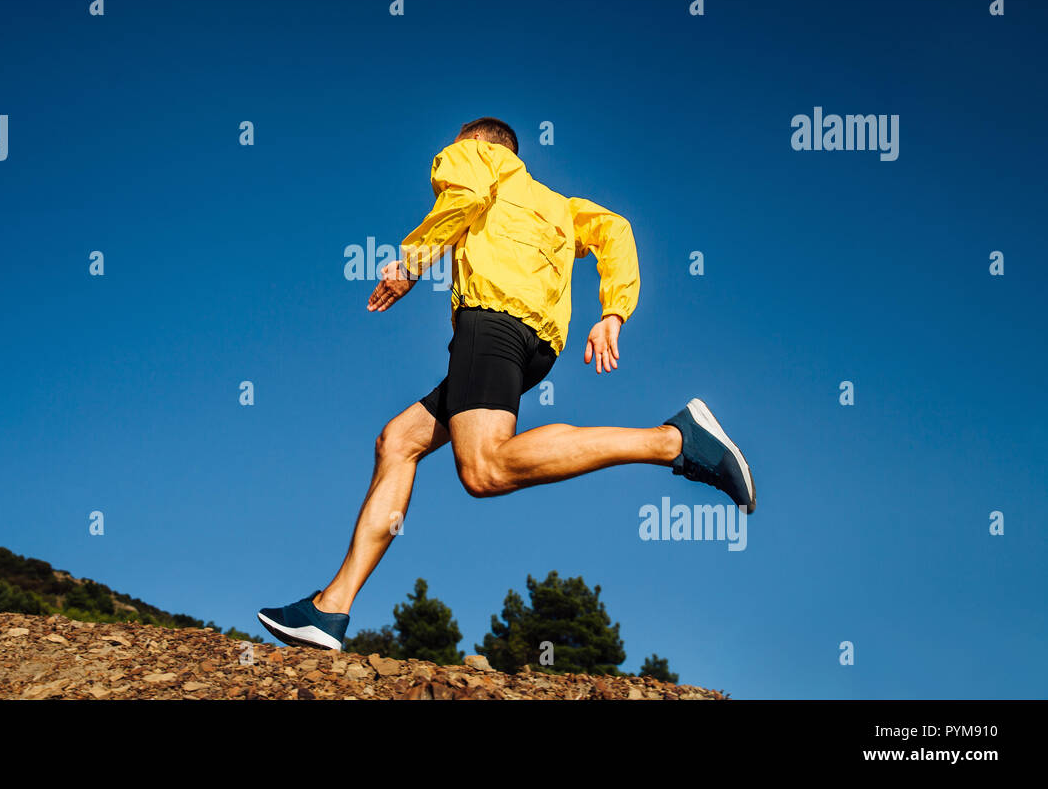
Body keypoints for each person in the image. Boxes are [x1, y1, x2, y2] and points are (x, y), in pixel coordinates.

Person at [257, 117, 755, 650]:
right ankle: (330, 608)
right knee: (398, 441)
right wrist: (614, 311)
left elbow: (467, 196)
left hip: (491, 323)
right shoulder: (561, 206)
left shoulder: (477, 156)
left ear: (476, 142)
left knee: (484, 468)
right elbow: (616, 230)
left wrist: (411, 262)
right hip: (534, 347)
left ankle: (674, 441)